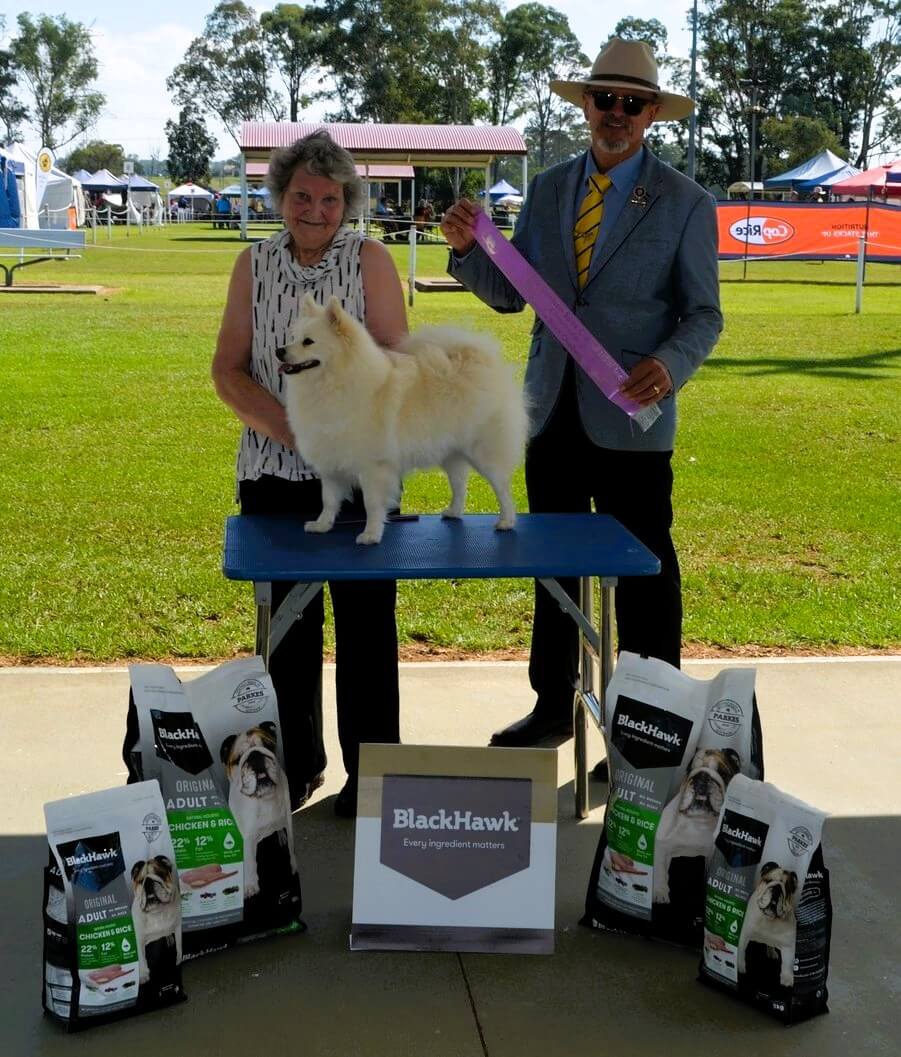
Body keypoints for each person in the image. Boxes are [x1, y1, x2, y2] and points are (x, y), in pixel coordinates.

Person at [441, 38, 723, 773]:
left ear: (652, 114)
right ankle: (551, 704)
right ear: (586, 105)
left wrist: (669, 364)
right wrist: (471, 252)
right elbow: (514, 295)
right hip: (550, 414)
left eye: (632, 104)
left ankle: (647, 724)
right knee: (551, 567)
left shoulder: (687, 203)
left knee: (645, 573)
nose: (616, 114)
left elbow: (703, 315)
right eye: (605, 99)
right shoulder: (545, 189)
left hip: (633, 418)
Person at [212, 130, 408, 817]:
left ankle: (373, 776)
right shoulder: (253, 265)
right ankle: (294, 767)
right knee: (287, 636)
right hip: (272, 470)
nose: (315, 210)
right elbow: (227, 369)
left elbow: (395, 370)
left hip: (360, 478)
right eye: (301, 196)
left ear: (348, 202)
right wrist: (294, 431)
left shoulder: (371, 261)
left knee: (366, 633)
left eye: (330, 198)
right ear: (280, 197)